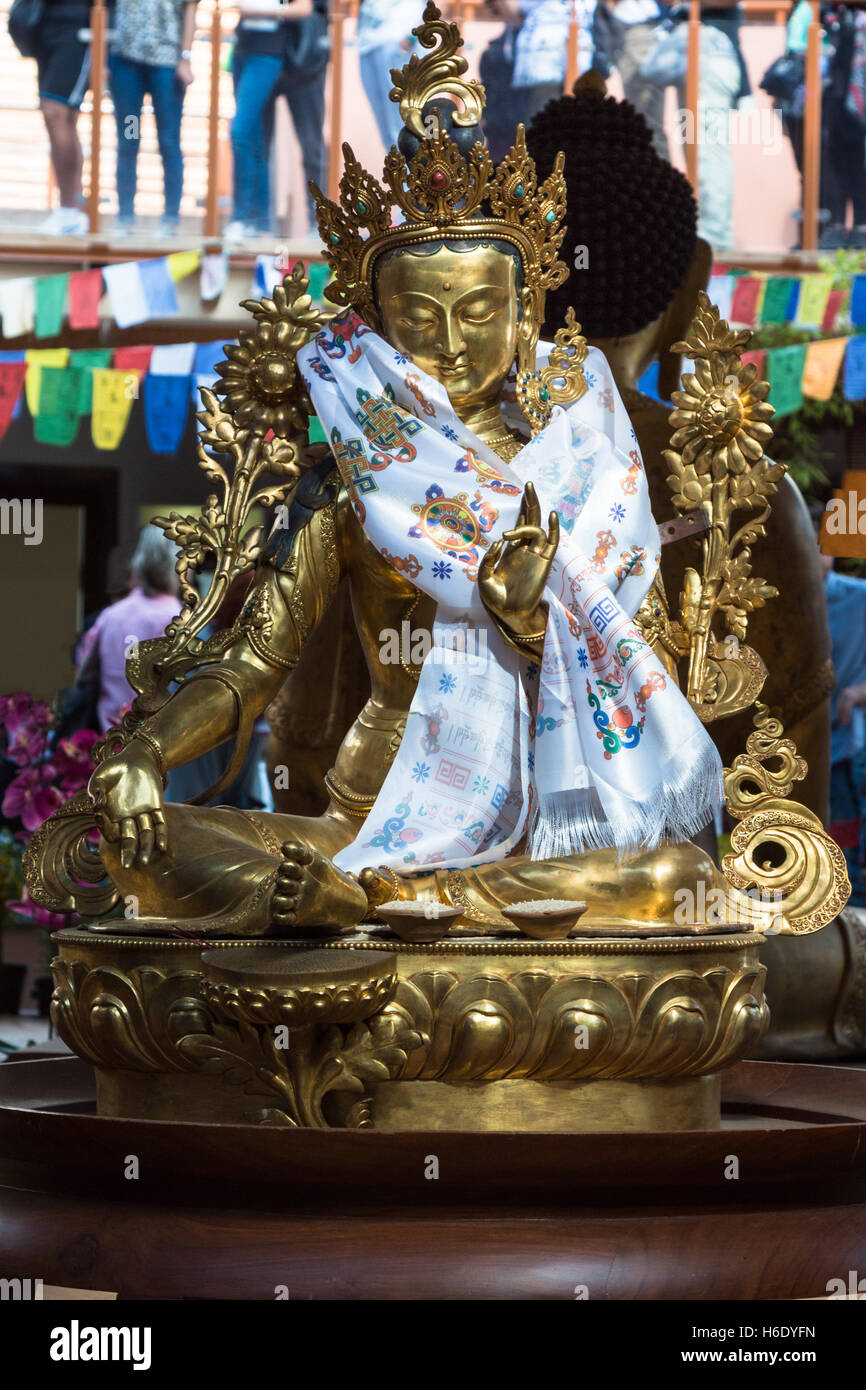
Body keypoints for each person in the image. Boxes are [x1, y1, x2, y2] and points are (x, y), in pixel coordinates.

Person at [78, 12, 727, 939]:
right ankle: (392, 896)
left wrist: (530, 622)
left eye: (478, 311)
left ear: (527, 309)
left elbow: (636, 664)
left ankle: (393, 909)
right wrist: (141, 754)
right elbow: (254, 666)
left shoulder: (586, 463)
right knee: (144, 845)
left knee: (670, 874)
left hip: (551, 829)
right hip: (368, 814)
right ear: (377, 323)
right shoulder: (352, 472)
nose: (452, 344)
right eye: (418, 318)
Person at [224, 0, 322, 242]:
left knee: (242, 132)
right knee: (256, 138)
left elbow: (304, 8)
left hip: (283, 56)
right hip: (244, 48)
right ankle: (257, 222)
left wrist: (262, 10)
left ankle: (317, 222)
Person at [76, 526, 181, 733]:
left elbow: (83, 676)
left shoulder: (110, 616)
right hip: (161, 745)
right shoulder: (182, 620)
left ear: (137, 564)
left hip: (111, 740)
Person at [107, 0, 198, 236]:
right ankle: (125, 217)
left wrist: (185, 58)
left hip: (167, 65)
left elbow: (190, 9)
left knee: (168, 141)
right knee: (129, 138)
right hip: (126, 63)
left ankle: (170, 219)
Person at [821, 549, 866, 903]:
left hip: (849, 739)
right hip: (791, 740)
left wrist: (860, 692)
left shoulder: (859, 597)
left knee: (845, 843)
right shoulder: (776, 598)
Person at [30, 0, 93, 235]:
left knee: (55, 113)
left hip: (78, 32)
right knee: (60, 120)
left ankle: (71, 209)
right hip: (43, 28)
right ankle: (70, 210)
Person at [357, 0, 422, 153]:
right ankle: (402, 176)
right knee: (388, 135)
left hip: (399, 40)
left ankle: (417, 176)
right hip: (367, 42)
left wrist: (414, 35)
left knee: (404, 128)